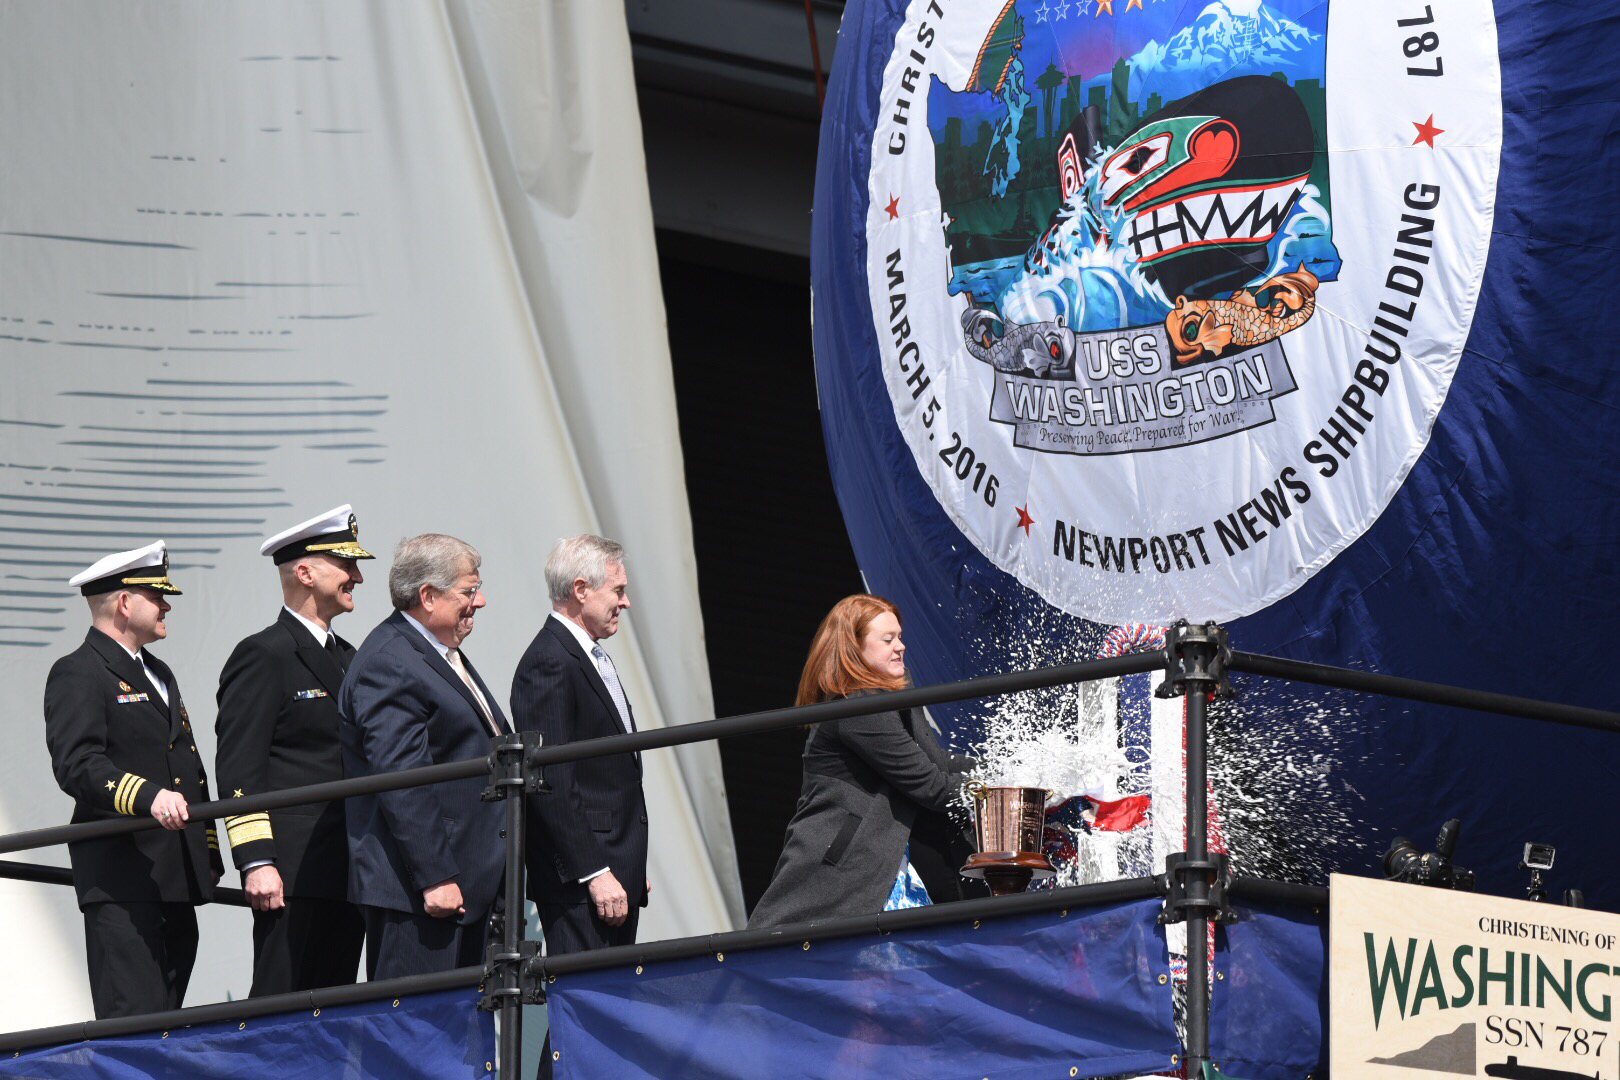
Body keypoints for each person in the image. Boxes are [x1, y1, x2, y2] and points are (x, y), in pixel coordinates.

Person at [45, 541, 222, 1018]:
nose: (167, 605)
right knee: (132, 1024)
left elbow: (187, 764)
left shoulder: (158, 672)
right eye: (157, 595)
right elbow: (78, 764)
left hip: (175, 877)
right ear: (124, 603)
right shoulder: (78, 672)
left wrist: (206, 851)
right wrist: (148, 798)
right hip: (124, 877)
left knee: (169, 1022)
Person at [215, 505, 373, 995]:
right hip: (293, 872)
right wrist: (257, 860)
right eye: (346, 566)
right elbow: (240, 764)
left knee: (333, 1011)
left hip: (347, 867)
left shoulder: (350, 658)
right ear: (304, 572)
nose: (358, 577)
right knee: (281, 1011)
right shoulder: (264, 654)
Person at [338, 533, 509, 979]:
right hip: (422, 894)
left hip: (464, 885)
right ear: (428, 596)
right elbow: (402, 778)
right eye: (469, 591)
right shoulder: (391, 661)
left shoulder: (436, 652)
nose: (482, 601)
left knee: (457, 1036)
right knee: (413, 1035)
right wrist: (435, 877)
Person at [746, 594, 973, 928]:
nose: (901, 646)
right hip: (848, 875)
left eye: (900, 637)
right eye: (888, 639)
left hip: (880, 873)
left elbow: (938, 763)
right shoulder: (860, 706)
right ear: (854, 648)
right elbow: (934, 787)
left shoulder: (893, 697)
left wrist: (1005, 769)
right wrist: (991, 790)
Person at [514, 535, 649, 955]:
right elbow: (551, 780)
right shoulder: (549, 660)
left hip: (613, 866)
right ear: (580, 590)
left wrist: (629, 860)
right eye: (619, 590)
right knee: (585, 1005)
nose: (625, 603)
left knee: (603, 1005)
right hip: (584, 883)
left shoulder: (586, 653)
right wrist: (594, 872)